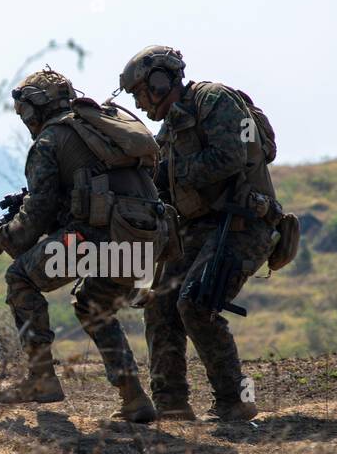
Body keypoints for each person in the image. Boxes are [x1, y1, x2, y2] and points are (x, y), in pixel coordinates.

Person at [0, 68, 165, 422]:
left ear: (35, 109)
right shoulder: (105, 126)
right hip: (147, 243)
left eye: (24, 112)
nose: (24, 120)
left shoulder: (50, 140)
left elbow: (35, 217)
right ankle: (134, 398)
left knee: (20, 279)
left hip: (98, 241)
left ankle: (42, 380)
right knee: (93, 302)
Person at [118, 45, 282, 421]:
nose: (140, 104)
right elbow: (157, 186)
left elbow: (230, 156)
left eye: (141, 93)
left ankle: (234, 400)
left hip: (243, 224)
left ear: (160, 83)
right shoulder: (170, 129)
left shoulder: (213, 99)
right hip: (200, 229)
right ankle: (171, 404)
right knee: (160, 304)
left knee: (196, 303)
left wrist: (176, 178)